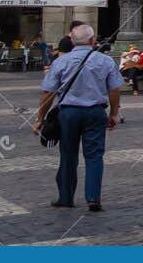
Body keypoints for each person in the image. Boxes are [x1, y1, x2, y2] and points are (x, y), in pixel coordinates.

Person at [32, 24, 123, 212]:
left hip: (68, 113)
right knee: (94, 155)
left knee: (68, 154)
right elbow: (114, 90)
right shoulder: (105, 60)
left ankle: (66, 197)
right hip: (95, 112)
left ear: (72, 41)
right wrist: (114, 113)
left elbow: (48, 93)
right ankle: (93, 198)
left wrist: (40, 118)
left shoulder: (61, 62)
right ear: (92, 40)